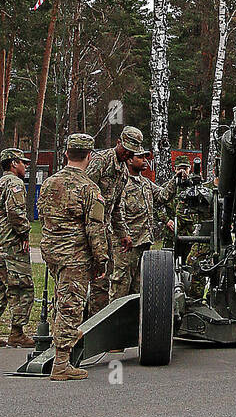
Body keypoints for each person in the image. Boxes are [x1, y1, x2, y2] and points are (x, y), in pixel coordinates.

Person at [37, 132, 108, 381]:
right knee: (71, 306)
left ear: (66, 153)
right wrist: (101, 259)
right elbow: (95, 229)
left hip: (52, 253)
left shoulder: (49, 183)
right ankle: (61, 364)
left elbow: (43, 216)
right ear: (89, 156)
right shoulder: (89, 188)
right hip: (74, 255)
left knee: (62, 299)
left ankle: (63, 337)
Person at [86, 127, 147, 316]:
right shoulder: (101, 162)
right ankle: (88, 328)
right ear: (118, 143)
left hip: (106, 232)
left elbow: (117, 207)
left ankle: (99, 326)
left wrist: (123, 234)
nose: (128, 154)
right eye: (126, 149)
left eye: (132, 152)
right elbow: (84, 191)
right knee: (94, 283)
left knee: (105, 280)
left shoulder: (122, 170)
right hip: (88, 228)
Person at [110, 151, 179, 299]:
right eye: (140, 157)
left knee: (139, 289)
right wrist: (124, 235)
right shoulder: (122, 183)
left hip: (144, 243)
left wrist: (176, 179)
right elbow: (117, 213)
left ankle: (134, 320)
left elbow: (162, 196)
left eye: (145, 157)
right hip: (127, 246)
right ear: (129, 160)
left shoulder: (145, 183)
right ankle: (116, 320)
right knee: (120, 287)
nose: (145, 161)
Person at [0, 148, 34, 348]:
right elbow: (16, 212)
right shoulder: (15, 183)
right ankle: (17, 332)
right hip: (9, 244)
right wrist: (24, 232)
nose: (25, 166)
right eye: (22, 162)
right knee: (22, 286)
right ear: (13, 164)